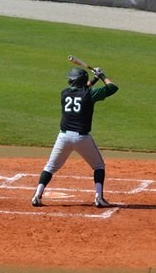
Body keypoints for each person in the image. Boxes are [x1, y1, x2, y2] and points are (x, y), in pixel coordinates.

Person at [31, 66, 119, 207]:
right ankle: (99, 198)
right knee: (98, 166)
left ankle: (37, 195)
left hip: (63, 138)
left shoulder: (64, 94)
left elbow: (81, 90)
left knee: (50, 167)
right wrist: (101, 76)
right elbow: (112, 88)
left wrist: (94, 79)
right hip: (82, 138)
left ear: (72, 82)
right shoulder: (89, 95)